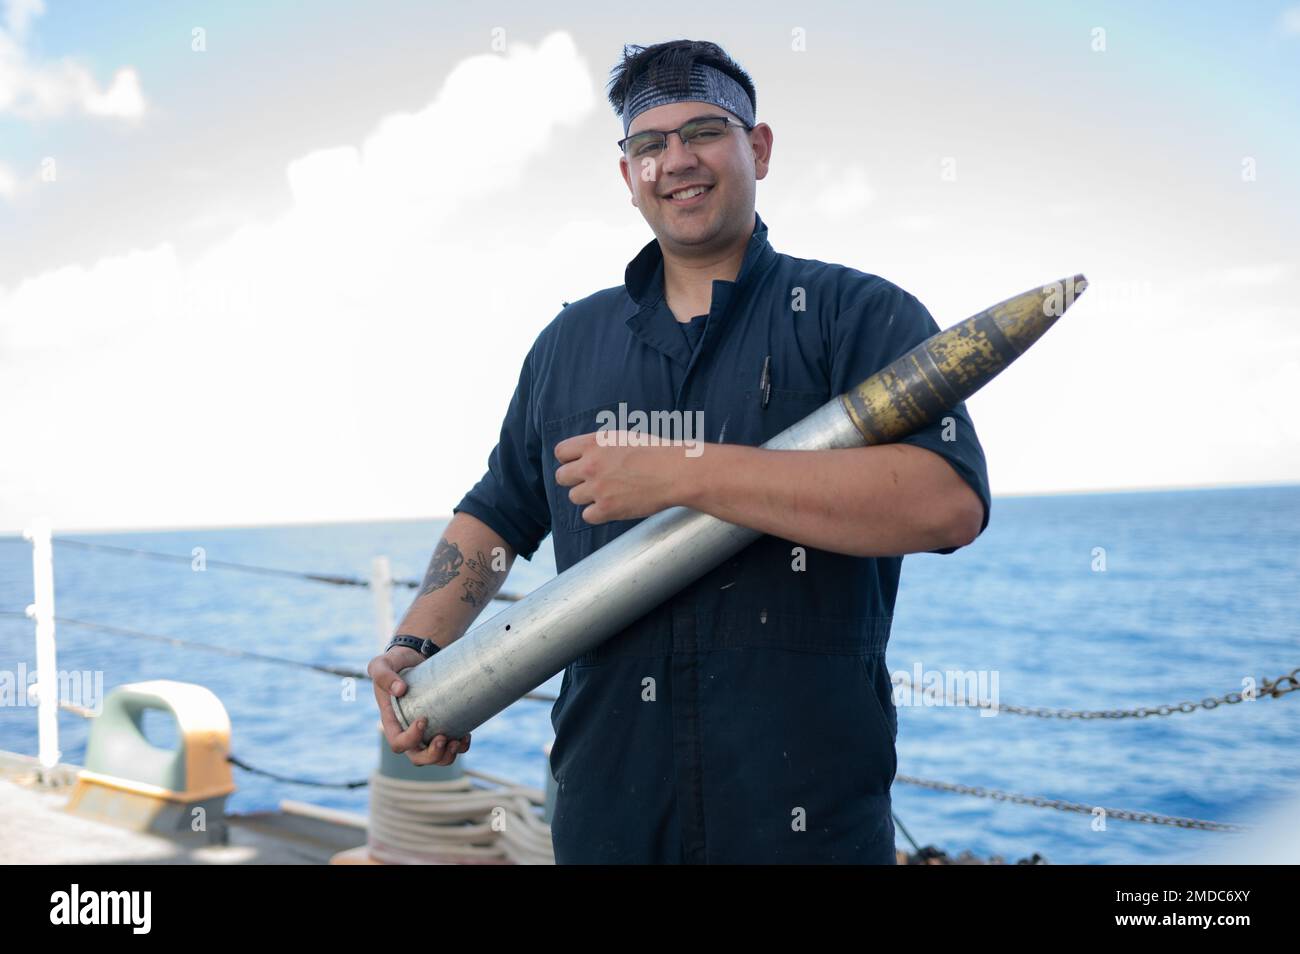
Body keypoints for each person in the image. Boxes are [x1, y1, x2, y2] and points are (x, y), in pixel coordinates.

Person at [369, 38, 991, 864]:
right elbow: (497, 513)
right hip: (608, 805)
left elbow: (946, 505)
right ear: (626, 174)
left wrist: (682, 473)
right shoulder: (569, 343)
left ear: (758, 148)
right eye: (649, 144)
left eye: (704, 131)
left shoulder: (858, 315)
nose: (676, 161)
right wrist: (420, 648)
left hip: (807, 814)